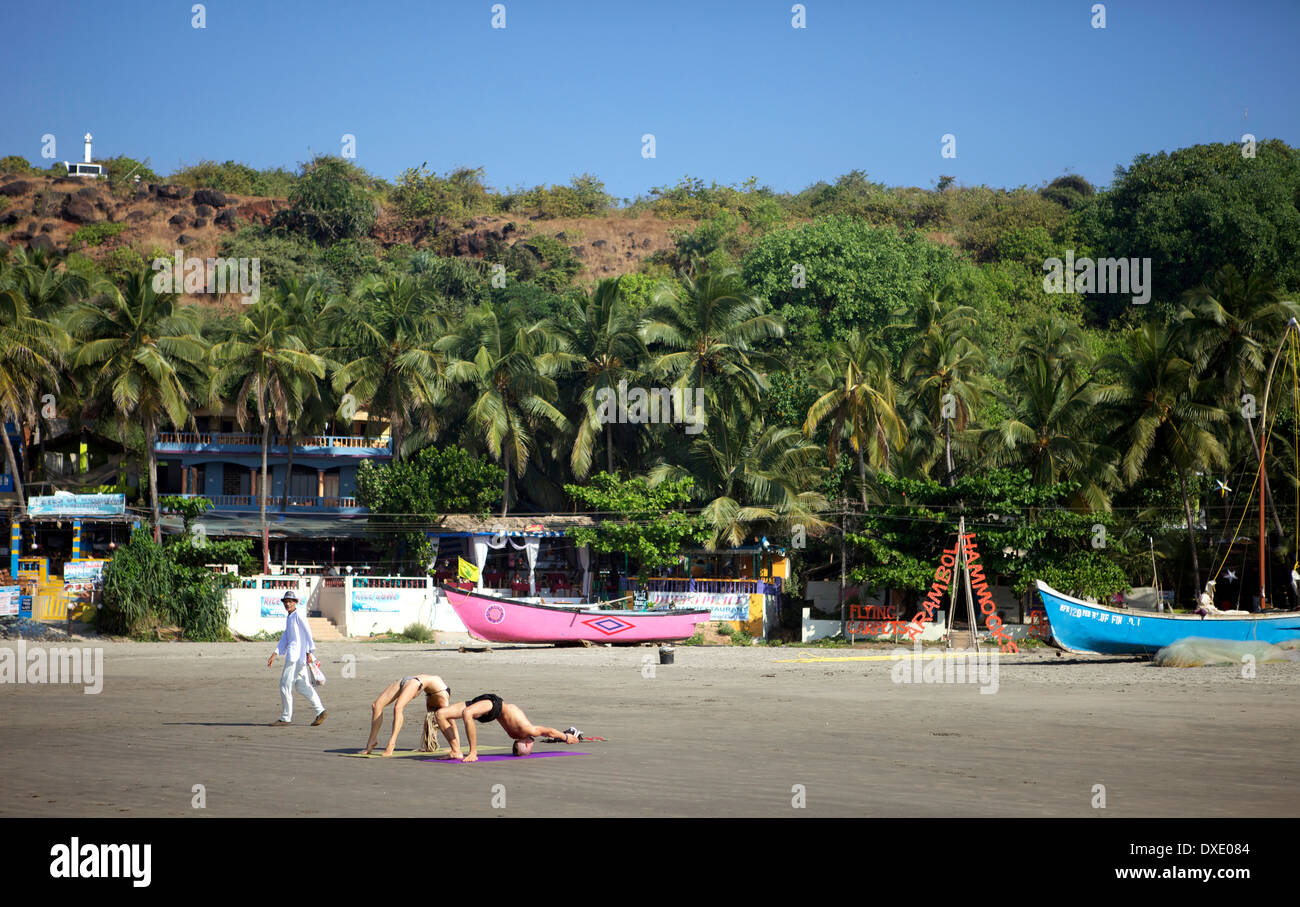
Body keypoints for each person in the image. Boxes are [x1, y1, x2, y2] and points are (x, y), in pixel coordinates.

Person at [433, 693, 579, 761]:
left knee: (461, 713)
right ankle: (457, 751)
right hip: (493, 704)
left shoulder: (522, 732)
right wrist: (566, 737)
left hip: (493, 707)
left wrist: (564, 737)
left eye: (528, 749)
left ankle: (470, 752)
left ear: (525, 743)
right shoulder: (526, 730)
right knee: (441, 714)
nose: (531, 747)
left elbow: (549, 733)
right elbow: (550, 732)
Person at [266, 589, 327, 727]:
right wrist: (274, 653)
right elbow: (286, 637)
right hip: (297, 657)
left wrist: (309, 652)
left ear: (295, 603)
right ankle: (320, 710)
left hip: (296, 657)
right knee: (301, 685)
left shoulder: (298, 614)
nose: (287, 604)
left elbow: (308, 633)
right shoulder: (290, 616)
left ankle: (286, 717)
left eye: (290, 601)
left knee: (284, 685)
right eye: (286, 602)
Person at [361, 674, 453, 756]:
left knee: (398, 707)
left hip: (412, 681)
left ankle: (391, 743)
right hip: (411, 681)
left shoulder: (435, 699)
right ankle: (372, 740)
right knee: (376, 705)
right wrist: (454, 747)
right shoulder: (442, 699)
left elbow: (435, 725)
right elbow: (451, 723)